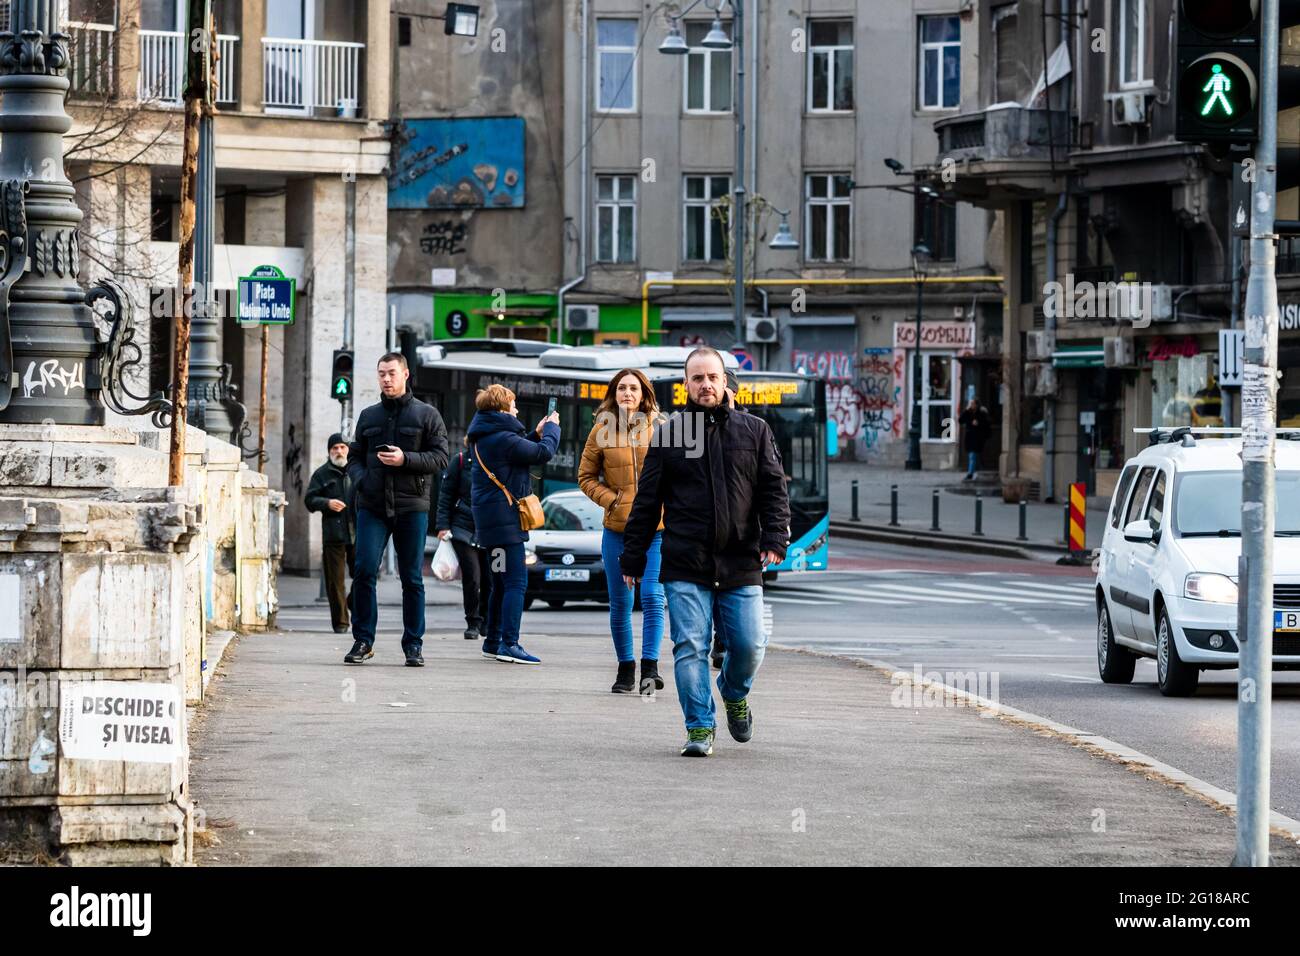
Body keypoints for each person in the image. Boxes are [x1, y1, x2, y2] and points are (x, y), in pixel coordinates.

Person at [621, 347, 790, 757]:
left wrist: (775, 539)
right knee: (690, 647)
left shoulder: (754, 430)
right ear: (686, 386)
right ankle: (699, 727)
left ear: (724, 380)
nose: (706, 385)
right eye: (697, 378)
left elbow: (773, 488)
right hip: (685, 561)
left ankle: (733, 693)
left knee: (750, 645)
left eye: (712, 377)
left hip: (740, 559)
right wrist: (633, 556)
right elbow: (648, 501)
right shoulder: (670, 434)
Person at [344, 352, 449, 666]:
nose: (386, 379)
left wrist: (406, 459)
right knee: (363, 571)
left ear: (405, 375)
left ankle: (413, 644)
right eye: (381, 374)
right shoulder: (368, 416)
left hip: (411, 506)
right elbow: (353, 457)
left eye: (391, 373)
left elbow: (441, 458)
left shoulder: (427, 415)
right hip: (372, 505)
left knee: (411, 578)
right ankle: (363, 640)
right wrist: (362, 480)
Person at [578, 367, 667, 695]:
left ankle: (650, 667)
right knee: (620, 601)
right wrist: (611, 500)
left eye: (634, 388)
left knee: (652, 596)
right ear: (614, 394)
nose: (627, 393)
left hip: (656, 529)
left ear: (644, 393)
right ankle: (625, 668)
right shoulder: (601, 429)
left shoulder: (661, 427)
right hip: (616, 529)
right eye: (621, 389)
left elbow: (678, 474)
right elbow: (585, 476)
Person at [466, 384, 560, 665]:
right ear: (501, 408)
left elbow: (517, 453)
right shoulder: (503, 438)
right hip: (506, 525)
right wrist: (552, 429)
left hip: (491, 526)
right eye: (513, 404)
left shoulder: (487, 436)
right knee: (516, 582)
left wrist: (536, 433)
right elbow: (543, 454)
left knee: (499, 582)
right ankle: (510, 643)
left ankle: (493, 641)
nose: (516, 409)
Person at [435, 437, 491, 642]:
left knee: (490, 578)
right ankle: (473, 622)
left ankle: (487, 621)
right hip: (462, 528)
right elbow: (445, 495)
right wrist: (442, 526)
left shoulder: (495, 461)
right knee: (472, 576)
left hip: (489, 529)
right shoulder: (459, 462)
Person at [304, 433, 354, 634]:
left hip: (358, 532)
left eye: (342, 447)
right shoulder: (321, 474)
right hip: (334, 533)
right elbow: (309, 500)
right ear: (329, 451)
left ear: (348, 450)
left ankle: (353, 603)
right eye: (335, 448)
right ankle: (341, 622)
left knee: (364, 575)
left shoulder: (357, 471)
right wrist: (327, 503)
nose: (339, 451)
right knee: (334, 581)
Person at [958, 398, 991, 480]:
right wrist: (966, 410)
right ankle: (975, 471)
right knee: (973, 455)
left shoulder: (981, 413)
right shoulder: (968, 412)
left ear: (976, 405)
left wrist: (978, 423)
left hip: (978, 437)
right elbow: (960, 420)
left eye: (973, 403)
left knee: (973, 455)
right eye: (970, 403)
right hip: (970, 437)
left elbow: (986, 423)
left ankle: (970, 474)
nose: (971, 405)